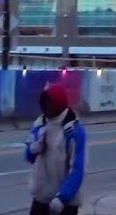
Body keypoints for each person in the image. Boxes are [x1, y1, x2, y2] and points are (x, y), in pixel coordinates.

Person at [24, 83, 87, 215]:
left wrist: (62, 198)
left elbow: (77, 169)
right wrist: (33, 149)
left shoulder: (73, 131)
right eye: (44, 103)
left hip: (64, 203)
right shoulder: (39, 124)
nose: (46, 107)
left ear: (58, 104)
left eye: (49, 103)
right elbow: (28, 156)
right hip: (41, 198)